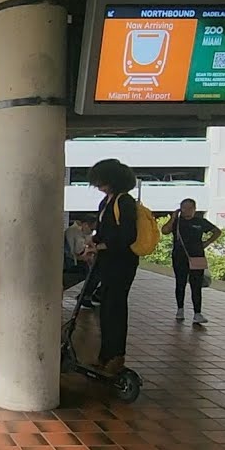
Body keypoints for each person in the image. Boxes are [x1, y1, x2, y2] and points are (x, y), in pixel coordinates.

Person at [89, 159, 139, 374]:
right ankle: (105, 356)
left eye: (102, 180)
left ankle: (116, 356)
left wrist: (102, 245)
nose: (98, 185)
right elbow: (103, 230)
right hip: (107, 261)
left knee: (115, 308)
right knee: (105, 309)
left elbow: (128, 235)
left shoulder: (124, 201)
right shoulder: (106, 202)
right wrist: (93, 243)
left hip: (122, 262)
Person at [161, 198, 222, 324]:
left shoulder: (201, 221)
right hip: (179, 256)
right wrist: (173, 217)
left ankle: (197, 312)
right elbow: (164, 231)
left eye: (190, 208)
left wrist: (207, 242)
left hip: (198, 256)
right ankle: (180, 309)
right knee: (180, 282)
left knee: (197, 285)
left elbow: (217, 231)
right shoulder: (177, 222)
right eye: (184, 208)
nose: (187, 211)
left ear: (195, 209)